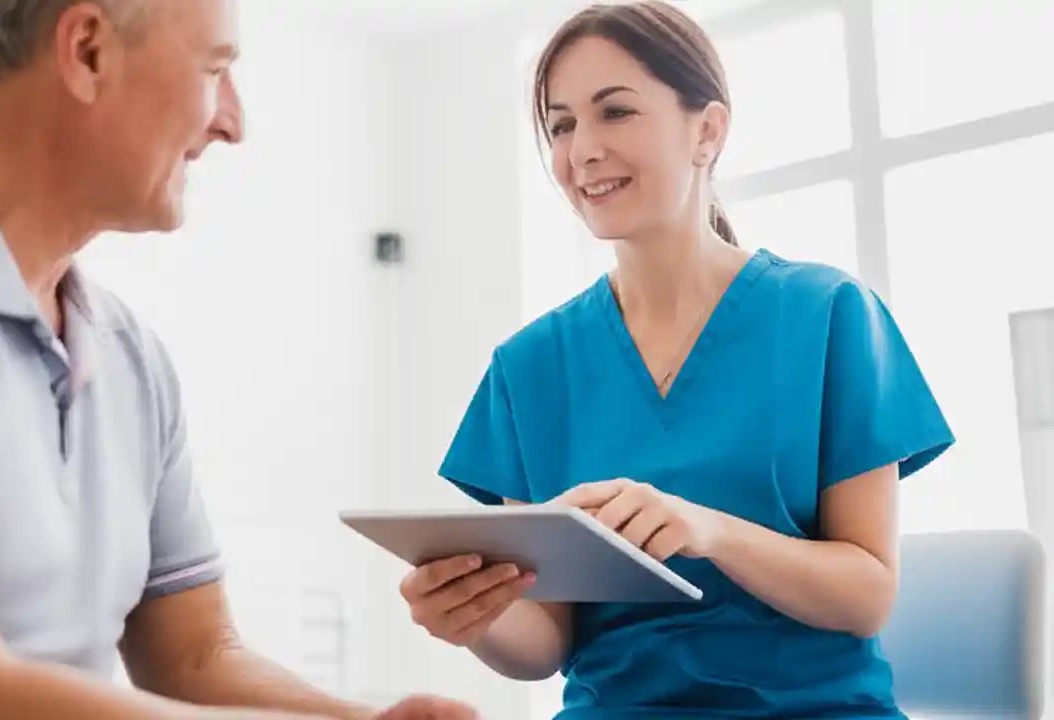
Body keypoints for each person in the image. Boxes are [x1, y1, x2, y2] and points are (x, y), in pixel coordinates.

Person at [0, 1, 478, 719]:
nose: (232, 123)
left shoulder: (128, 355)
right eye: (215, 70)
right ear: (87, 52)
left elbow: (193, 656)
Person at [397, 2, 955, 718]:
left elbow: (866, 595)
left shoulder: (829, 315)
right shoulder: (529, 367)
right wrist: (476, 615)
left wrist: (710, 531)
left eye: (616, 112)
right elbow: (544, 645)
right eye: (562, 125)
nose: (582, 150)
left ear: (707, 131)